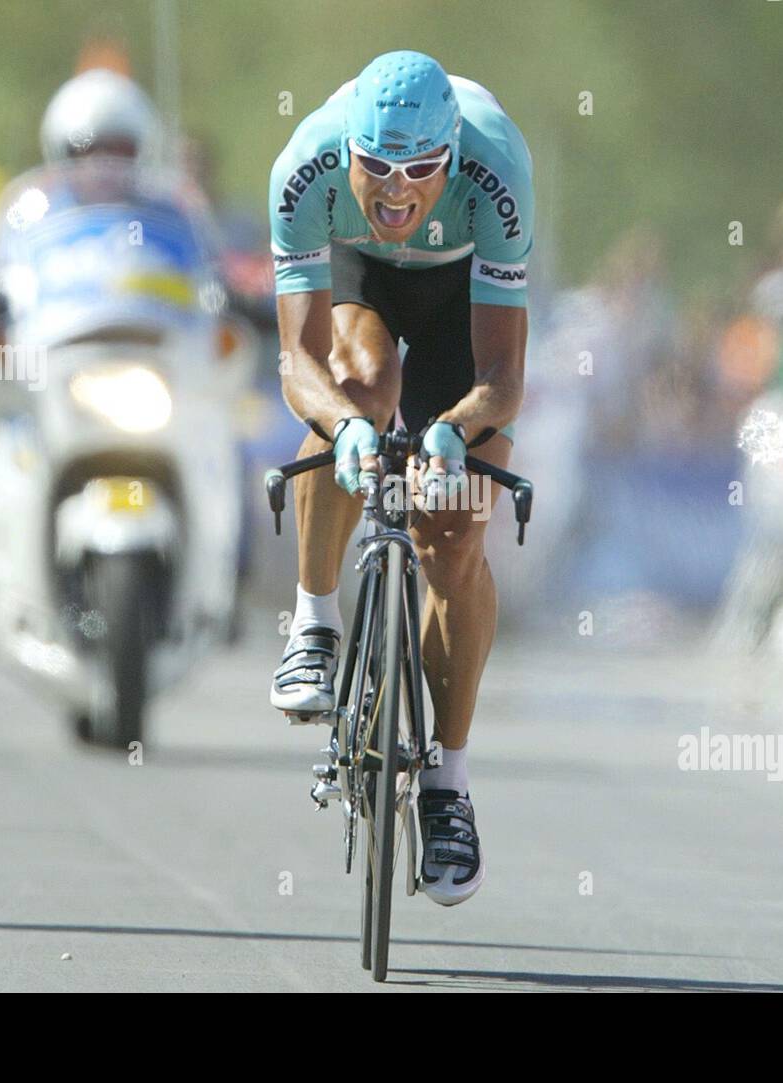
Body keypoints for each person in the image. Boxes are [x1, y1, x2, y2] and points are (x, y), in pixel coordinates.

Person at [266, 50, 533, 906]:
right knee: (356, 389)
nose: (395, 191)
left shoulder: (497, 172)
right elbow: (296, 359)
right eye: (376, 167)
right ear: (348, 149)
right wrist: (345, 427)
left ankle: (448, 787)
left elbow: (502, 377)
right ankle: (315, 619)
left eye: (420, 172)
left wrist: (455, 430)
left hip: (463, 295)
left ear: (451, 158)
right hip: (364, 281)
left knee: (452, 533)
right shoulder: (305, 167)